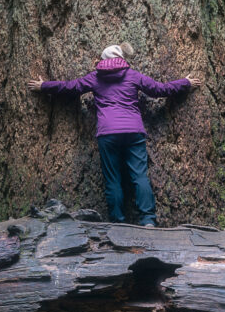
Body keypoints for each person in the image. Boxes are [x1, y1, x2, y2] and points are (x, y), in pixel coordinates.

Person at [28, 43, 202, 227]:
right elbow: (160, 90)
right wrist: (185, 83)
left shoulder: (95, 78)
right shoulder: (133, 75)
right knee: (140, 176)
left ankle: (118, 222)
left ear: (103, 60)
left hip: (108, 133)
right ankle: (148, 220)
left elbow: (70, 87)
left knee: (113, 179)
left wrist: (44, 86)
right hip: (133, 132)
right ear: (121, 59)